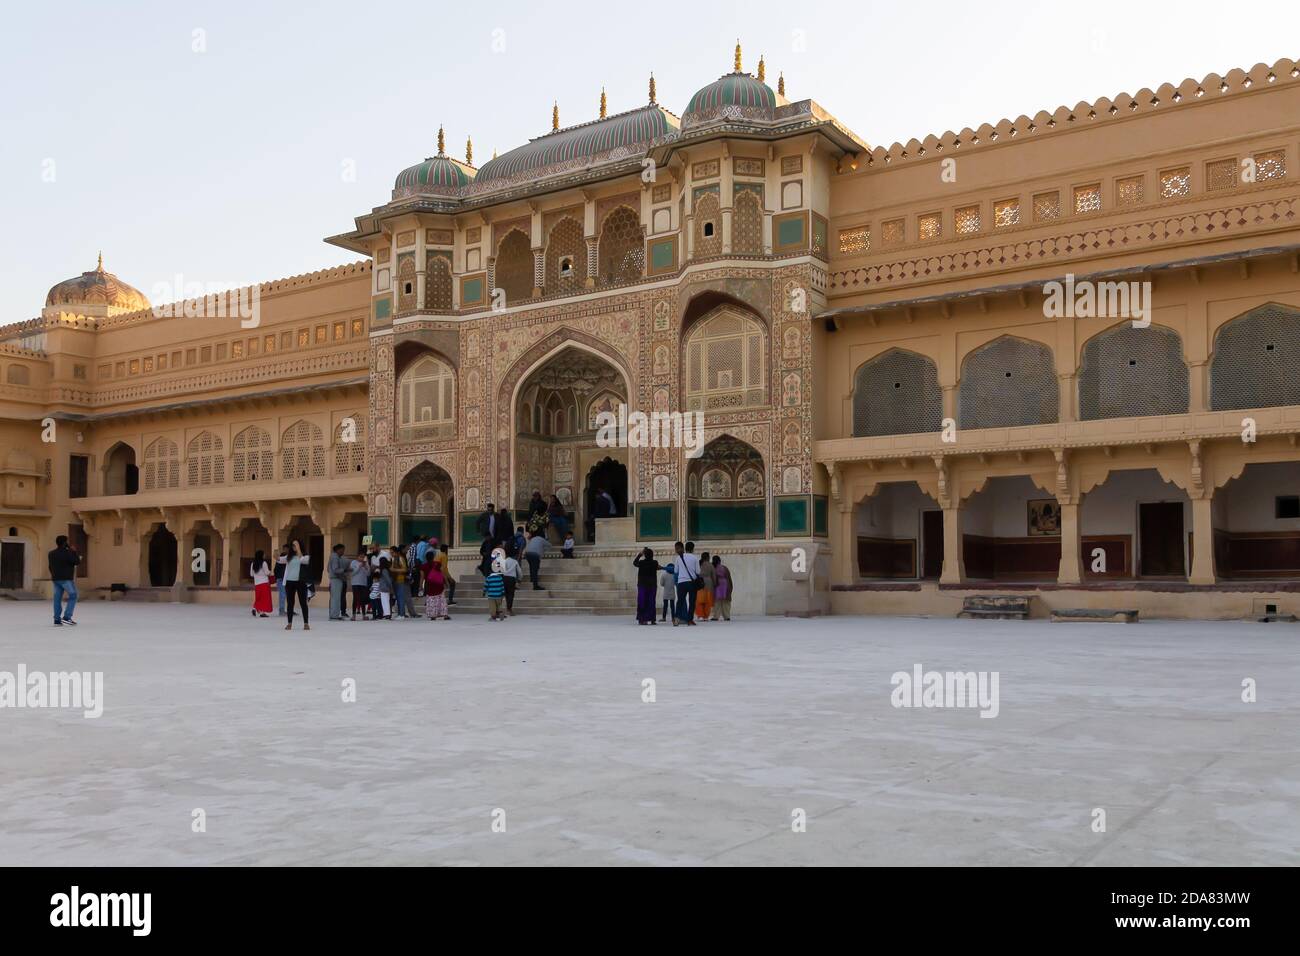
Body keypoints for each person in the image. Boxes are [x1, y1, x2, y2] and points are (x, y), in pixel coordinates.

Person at [279, 539, 311, 631]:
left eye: (295, 545)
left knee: (303, 603)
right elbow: (279, 559)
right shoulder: (289, 557)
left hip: (300, 581)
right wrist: (276, 553)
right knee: (290, 603)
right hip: (289, 582)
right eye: (293, 545)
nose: (294, 547)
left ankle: (306, 623)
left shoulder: (305, 556)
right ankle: (289, 623)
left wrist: (298, 549)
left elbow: (303, 560)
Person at [49, 534, 80, 626]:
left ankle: (57, 620)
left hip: (55, 579)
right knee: (73, 595)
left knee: (57, 599)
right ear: (65, 543)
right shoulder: (68, 553)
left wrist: (54, 575)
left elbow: (50, 566)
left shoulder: (51, 553)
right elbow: (76, 562)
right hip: (66, 579)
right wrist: (74, 552)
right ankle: (67, 617)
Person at [673, 541, 700, 627]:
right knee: (692, 602)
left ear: (685, 548)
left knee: (680, 601)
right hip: (692, 583)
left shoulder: (679, 558)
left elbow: (676, 571)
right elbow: (698, 572)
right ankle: (689, 620)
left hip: (681, 583)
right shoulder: (695, 558)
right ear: (693, 549)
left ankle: (677, 619)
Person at [633, 547, 660, 625]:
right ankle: (652, 619)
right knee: (651, 602)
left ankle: (642, 619)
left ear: (645, 555)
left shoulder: (641, 563)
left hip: (642, 585)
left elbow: (635, 563)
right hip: (652, 585)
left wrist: (639, 555)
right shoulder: (655, 562)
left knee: (642, 602)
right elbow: (657, 567)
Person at [423, 555, 450, 621]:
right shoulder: (438, 567)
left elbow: (423, 576)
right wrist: (447, 583)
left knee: (432, 602)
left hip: (431, 588)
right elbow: (444, 576)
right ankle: (444, 615)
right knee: (442, 601)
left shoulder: (428, 568)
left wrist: (421, 586)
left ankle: (433, 615)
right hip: (439, 588)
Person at [327, 544, 349, 620]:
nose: (343, 552)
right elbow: (335, 569)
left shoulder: (334, 557)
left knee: (336, 598)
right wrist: (345, 570)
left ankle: (334, 614)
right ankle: (334, 616)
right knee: (335, 598)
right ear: (338, 550)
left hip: (336, 579)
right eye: (342, 550)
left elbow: (328, 569)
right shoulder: (335, 557)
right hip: (336, 579)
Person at [499, 547, 522, 615]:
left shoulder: (503, 561)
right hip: (512, 579)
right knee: (511, 594)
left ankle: (499, 609)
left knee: (504, 593)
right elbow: (519, 572)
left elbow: (500, 570)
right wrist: (520, 579)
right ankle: (509, 609)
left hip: (504, 578)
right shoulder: (515, 561)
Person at [250, 549, 273, 618]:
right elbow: (267, 573)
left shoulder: (252, 563)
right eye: (264, 554)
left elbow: (251, 574)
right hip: (264, 583)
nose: (265, 555)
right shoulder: (264, 563)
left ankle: (256, 610)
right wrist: (271, 572)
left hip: (257, 583)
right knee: (264, 599)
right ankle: (261, 612)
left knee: (258, 598)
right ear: (261, 555)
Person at [390, 545, 411, 618]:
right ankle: (400, 613)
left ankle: (401, 614)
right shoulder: (393, 559)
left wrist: (394, 570)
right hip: (395, 579)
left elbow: (404, 569)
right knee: (398, 598)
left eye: (392, 552)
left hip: (400, 579)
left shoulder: (400, 558)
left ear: (396, 552)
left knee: (400, 598)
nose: (391, 554)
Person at [349, 550, 370, 620]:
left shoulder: (366, 563)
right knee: (355, 598)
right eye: (361, 557)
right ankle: (354, 615)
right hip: (355, 583)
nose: (362, 558)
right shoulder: (353, 563)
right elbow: (352, 573)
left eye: (363, 557)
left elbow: (368, 574)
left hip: (363, 583)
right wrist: (359, 567)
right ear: (357, 557)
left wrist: (366, 568)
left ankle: (364, 615)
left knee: (363, 599)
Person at [711, 555, 733, 621]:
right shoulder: (724, 568)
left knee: (717, 601)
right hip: (725, 584)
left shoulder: (713, 568)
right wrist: (731, 587)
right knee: (726, 601)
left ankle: (716, 616)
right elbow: (728, 577)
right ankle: (727, 616)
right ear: (719, 561)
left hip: (717, 585)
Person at [695, 550, 715, 622]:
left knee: (699, 600)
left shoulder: (698, 564)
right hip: (709, 583)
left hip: (699, 582)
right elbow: (713, 575)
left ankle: (700, 615)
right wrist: (715, 584)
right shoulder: (710, 565)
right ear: (707, 557)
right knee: (707, 600)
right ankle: (706, 616)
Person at [276, 544, 290, 616]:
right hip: (282, 578)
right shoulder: (282, 558)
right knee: (283, 595)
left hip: (285, 578)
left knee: (287, 595)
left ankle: (288, 610)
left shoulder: (289, 557)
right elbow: (276, 569)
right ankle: (281, 610)